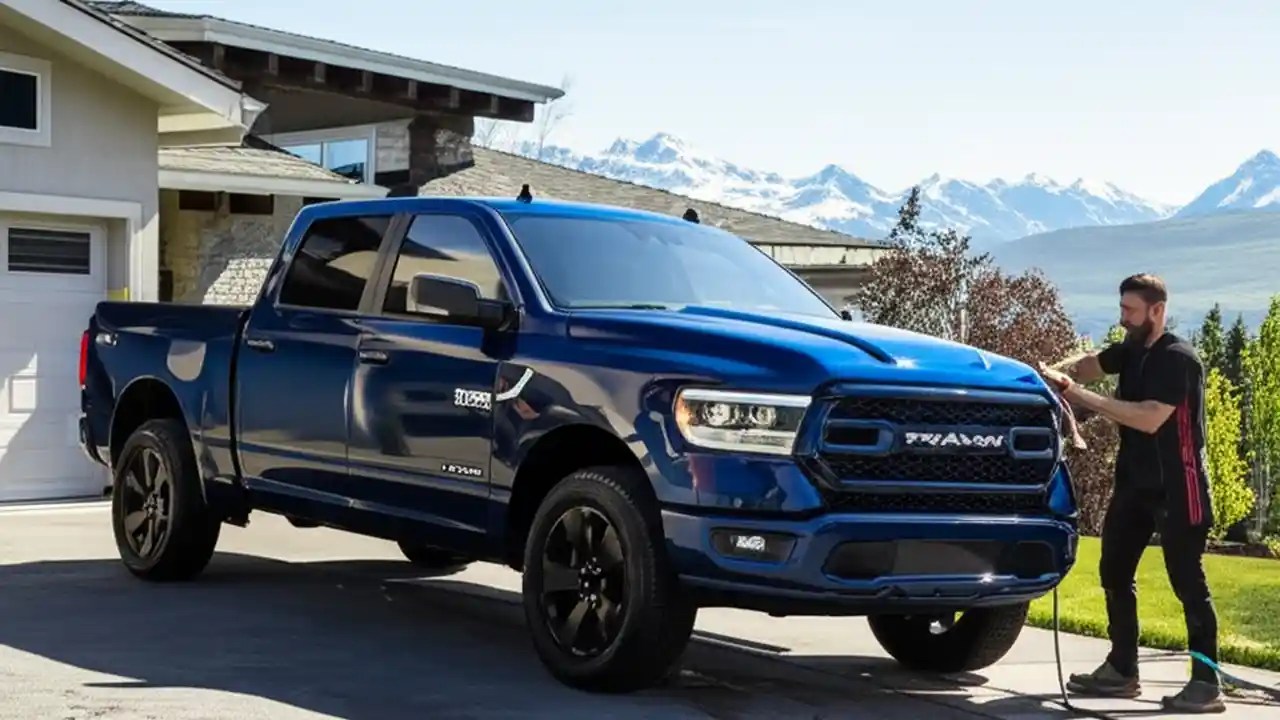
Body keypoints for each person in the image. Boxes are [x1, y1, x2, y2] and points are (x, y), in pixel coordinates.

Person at [1038, 273, 1224, 714]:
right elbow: (1090, 364)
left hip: (1179, 486)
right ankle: (1122, 670)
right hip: (1135, 484)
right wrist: (1049, 372)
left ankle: (1206, 682)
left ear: (1157, 311)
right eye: (1121, 309)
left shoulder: (1179, 359)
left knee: (1188, 582)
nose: (1123, 318)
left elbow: (1148, 417)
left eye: (1130, 311)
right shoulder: (1132, 349)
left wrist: (1080, 395)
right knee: (1114, 570)